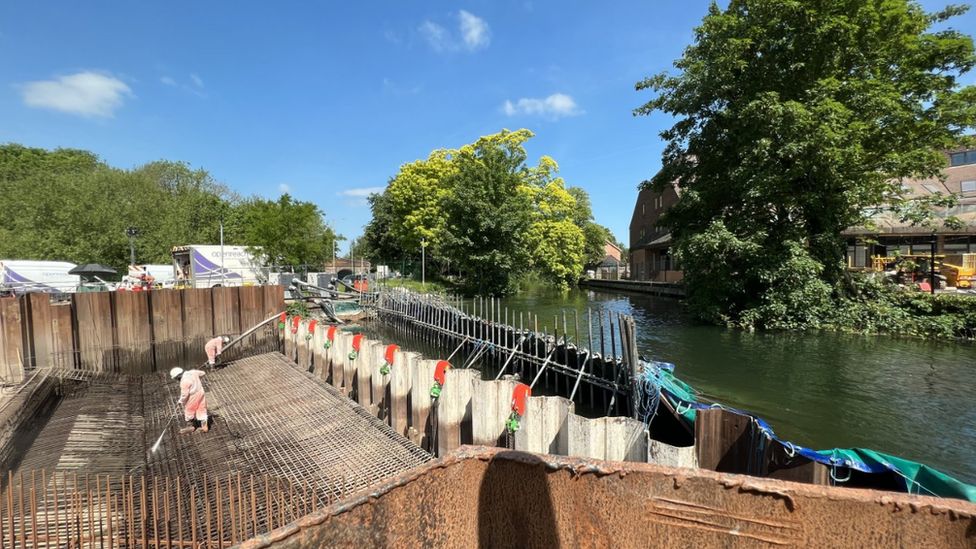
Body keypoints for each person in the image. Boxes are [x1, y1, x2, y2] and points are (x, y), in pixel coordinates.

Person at [170, 367, 209, 433]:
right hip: (200, 392)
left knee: (189, 410)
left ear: (178, 376)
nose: (177, 380)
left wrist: (180, 401)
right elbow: (203, 373)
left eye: (176, 378)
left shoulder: (184, 382)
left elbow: (185, 394)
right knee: (201, 408)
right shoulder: (192, 372)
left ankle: (191, 426)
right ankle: (204, 427)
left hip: (192, 396)